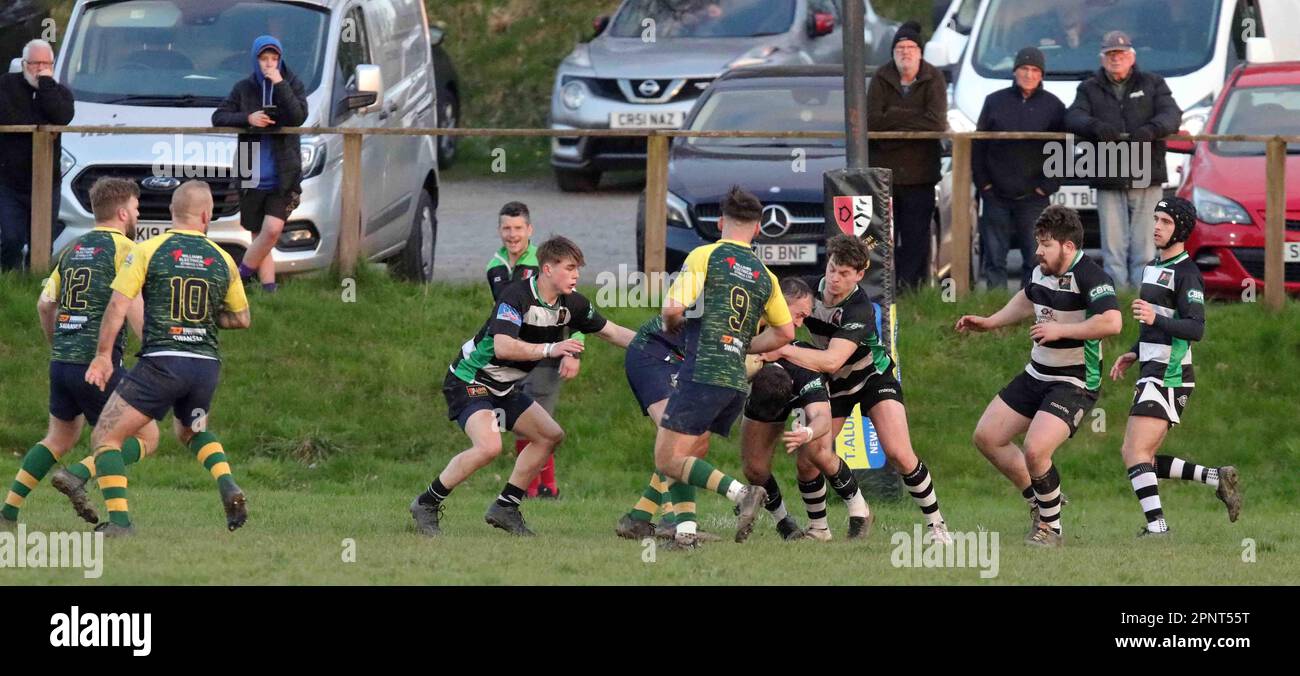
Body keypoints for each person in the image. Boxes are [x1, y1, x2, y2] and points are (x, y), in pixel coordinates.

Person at [410, 236, 637, 537]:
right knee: (489, 447)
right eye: (569, 268)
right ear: (547, 269)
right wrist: (549, 350)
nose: (576, 275)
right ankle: (426, 503)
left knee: (549, 436)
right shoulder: (514, 296)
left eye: (577, 269)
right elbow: (503, 347)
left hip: (504, 388)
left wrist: (660, 347)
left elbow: (613, 333)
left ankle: (505, 507)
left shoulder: (573, 304)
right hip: (470, 380)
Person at [84, 181, 252, 537]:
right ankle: (227, 484)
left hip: (162, 362)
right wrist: (205, 320)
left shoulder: (148, 250)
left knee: (105, 439)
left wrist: (103, 355)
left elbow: (118, 304)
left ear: (172, 214)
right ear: (206, 215)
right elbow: (241, 318)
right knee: (192, 430)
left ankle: (119, 523)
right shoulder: (224, 259)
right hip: (205, 366)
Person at [957, 205, 1122, 548]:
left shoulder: (1092, 277)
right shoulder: (1040, 271)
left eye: (1045, 244)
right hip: (1037, 373)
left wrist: (1063, 330)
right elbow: (1026, 298)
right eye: (1038, 243)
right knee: (987, 437)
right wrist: (990, 322)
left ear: (1068, 247)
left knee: (1035, 450)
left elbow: (1111, 322)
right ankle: (1042, 501)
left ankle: (1052, 530)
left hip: (1075, 381)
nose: (1037, 251)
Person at [767, 235, 951, 543]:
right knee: (809, 456)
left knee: (898, 452)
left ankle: (938, 527)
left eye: (845, 274)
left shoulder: (860, 309)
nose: (835, 278)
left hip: (873, 378)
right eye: (833, 269)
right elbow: (776, 315)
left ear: (860, 275)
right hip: (836, 385)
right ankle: (820, 530)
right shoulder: (807, 292)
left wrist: (783, 351)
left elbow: (830, 360)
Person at [1, 178, 159, 530]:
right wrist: (153, 350)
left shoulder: (73, 249)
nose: (137, 214)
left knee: (60, 436)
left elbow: (45, 304)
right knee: (143, 437)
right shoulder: (126, 251)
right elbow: (129, 302)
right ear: (122, 213)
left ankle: (7, 512)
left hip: (62, 362)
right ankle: (113, 515)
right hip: (97, 365)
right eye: (135, 208)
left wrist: (58, 344)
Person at [650, 186, 795, 549]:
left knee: (667, 458)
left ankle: (741, 493)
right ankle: (684, 535)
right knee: (684, 455)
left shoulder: (705, 256)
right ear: (758, 228)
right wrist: (745, 343)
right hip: (735, 378)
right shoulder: (765, 275)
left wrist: (671, 326)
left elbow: (672, 309)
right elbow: (786, 332)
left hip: (703, 370)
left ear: (720, 223)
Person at [1108, 197, 1241, 536]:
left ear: (1180, 229)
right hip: (1151, 368)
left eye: (1165, 221)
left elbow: (1196, 327)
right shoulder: (1152, 267)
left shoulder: (1187, 274)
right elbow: (1158, 323)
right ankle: (1215, 477)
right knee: (1141, 455)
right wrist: (1135, 351)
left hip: (1170, 374)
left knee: (1135, 451)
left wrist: (1153, 318)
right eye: (1155, 219)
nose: (1156, 226)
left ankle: (1158, 528)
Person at [740, 278, 873, 541]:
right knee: (754, 468)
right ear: (779, 304)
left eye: (805, 316)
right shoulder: (745, 327)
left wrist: (809, 433)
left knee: (816, 453)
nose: (801, 323)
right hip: (764, 394)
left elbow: (822, 417)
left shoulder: (802, 366)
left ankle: (857, 510)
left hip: (800, 385)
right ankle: (785, 524)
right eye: (798, 314)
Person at [1064, 30, 1182, 288]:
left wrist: (1151, 129)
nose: (1116, 58)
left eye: (1121, 53)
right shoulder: (1088, 88)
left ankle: (1144, 299)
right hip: (1108, 173)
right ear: (1103, 58)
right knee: (1113, 248)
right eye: (1110, 54)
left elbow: (1172, 114)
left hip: (1146, 173)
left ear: (1132, 56)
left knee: (1145, 246)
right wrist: (1095, 126)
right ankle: (1114, 302)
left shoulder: (1153, 83)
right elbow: (1073, 116)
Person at [486, 201, 582, 498]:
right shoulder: (494, 267)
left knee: (540, 422)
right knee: (521, 423)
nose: (512, 234)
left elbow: (575, 308)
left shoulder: (547, 265)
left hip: (546, 355)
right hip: (512, 357)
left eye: (518, 228)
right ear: (499, 230)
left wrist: (572, 352)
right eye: (506, 228)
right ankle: (529, 489)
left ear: (530, 230)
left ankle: (546, 489)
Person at [211, 35, 308, 293]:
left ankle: (238, 278)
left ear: (280, 59)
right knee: (258, 234)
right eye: (264, 59)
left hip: (283, 173)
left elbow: (298, 116)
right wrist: (248, 118)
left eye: (274, 59)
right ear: (255, 60)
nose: (268, 64)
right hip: (251, 170)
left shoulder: (292, 83)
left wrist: (280, 84)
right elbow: (218, 117)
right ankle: (269, 290)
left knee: (273, 230)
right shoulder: (244, 88)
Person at [973, 46, 1066, 290]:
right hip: (996, 194)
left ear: (1041, 75)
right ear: (1015, 71)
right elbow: (977, 147)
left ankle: (1031, 304)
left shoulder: (1054, 106)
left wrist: (1047, 187)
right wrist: (984, 184)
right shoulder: (994, 102)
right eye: (1024, 68)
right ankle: (995, 306)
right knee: (994, 257)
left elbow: (1062, 152)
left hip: (1034, 197)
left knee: (1036, 256)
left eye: (1035, 70)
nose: (1028, 74)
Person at [867, 20, 947, 291]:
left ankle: (912, 291)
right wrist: (913, 117)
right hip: (883, 176)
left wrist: (894, 118)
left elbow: (935, 123)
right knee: (880, 237)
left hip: (920, 175)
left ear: (920, 52)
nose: (905, 52)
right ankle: (880, 290)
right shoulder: (880, 77)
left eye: (911, 47)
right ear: (892, 52)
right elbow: (873, 121)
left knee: (916, 238)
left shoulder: (933, 77)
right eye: (900, 47)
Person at [0, 38, 74, 271]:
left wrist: (45, 86)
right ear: (23, 64)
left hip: (46, 182)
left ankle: (37, 286)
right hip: (10, 181)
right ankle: (8, 282)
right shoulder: (6, 86)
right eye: (34, 63)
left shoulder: (58, 92)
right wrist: (38, 122)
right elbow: (8, 116)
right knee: (11, 238)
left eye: (46, 63)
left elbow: (62, 116)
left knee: (41, 243)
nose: (40, 68)